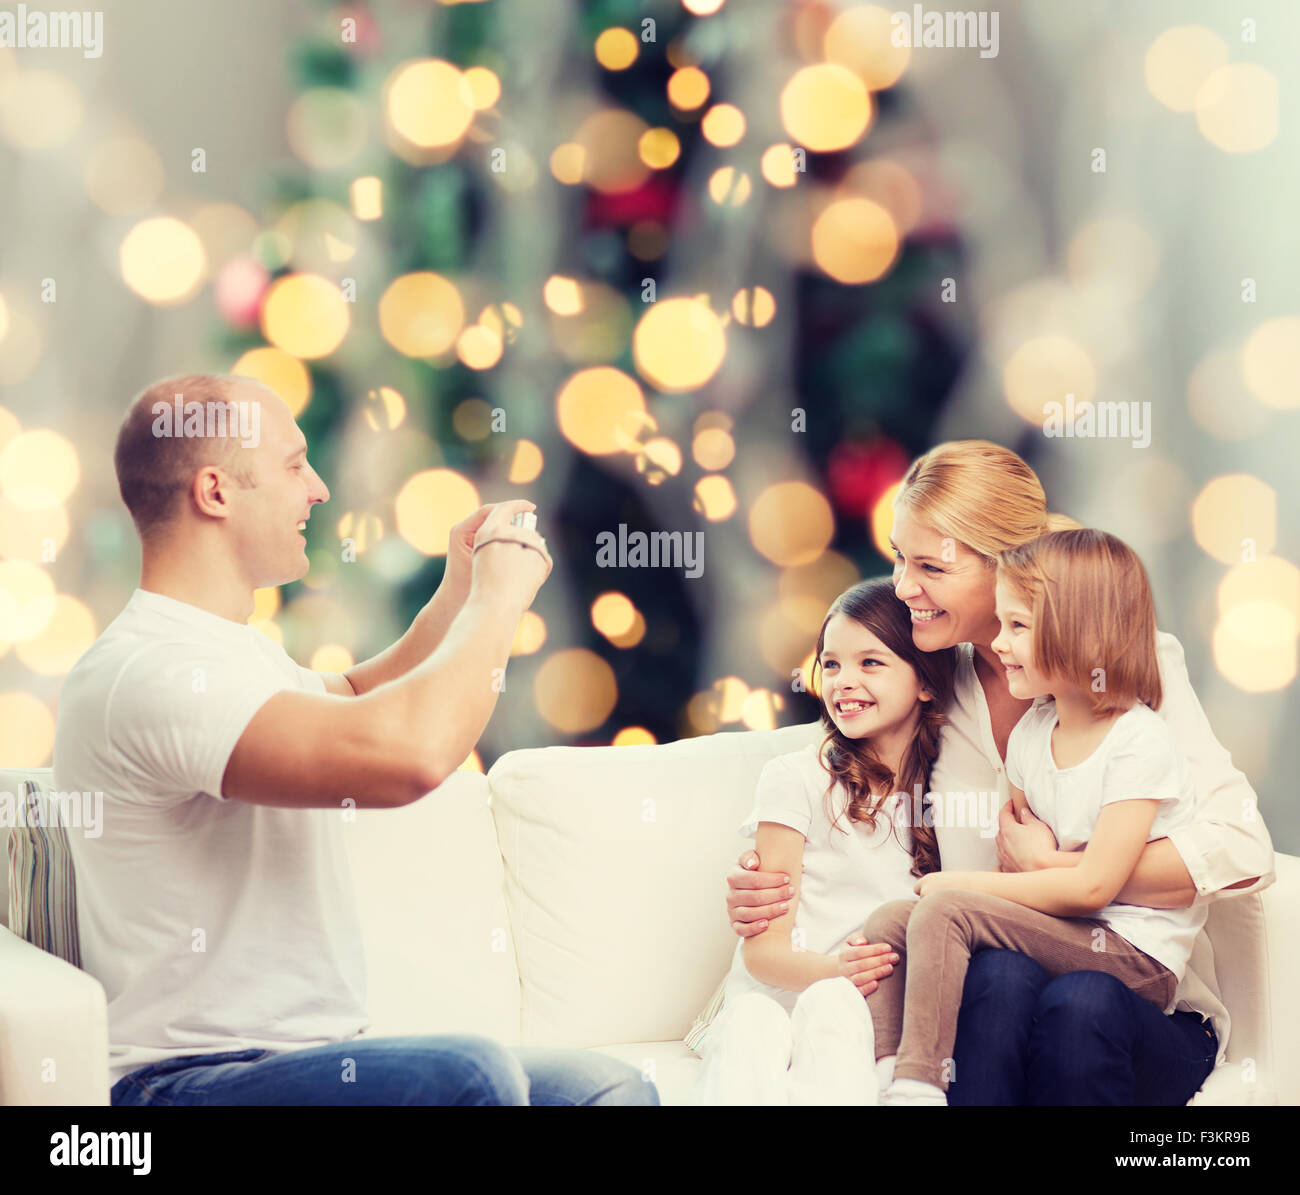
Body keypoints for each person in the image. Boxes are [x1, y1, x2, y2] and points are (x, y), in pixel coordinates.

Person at [55, 373, 658, 1107]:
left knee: (608, 1087)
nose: (315, 488)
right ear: (215, 492)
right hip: (188, 1083)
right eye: (292, 464)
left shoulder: (227, 654)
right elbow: (406, 756)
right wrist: (502, 599)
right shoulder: (149, 672)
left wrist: (458, 592)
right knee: (472, 1077)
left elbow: (348, 699)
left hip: (316, 1060)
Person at [725, 440, 1274, 1106]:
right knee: (999, 980)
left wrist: (1064, 865)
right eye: (900, 557)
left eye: (931, 565)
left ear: (1010, 563)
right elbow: (834, 773)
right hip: (996, 999)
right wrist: (767, 886)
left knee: (1077, 1003)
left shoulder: (1125, 669)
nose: (903, 587)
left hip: (1131, 1008)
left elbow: (1242, 846)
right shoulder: (929, 682)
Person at [866, 528, 1207, 1106]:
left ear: (1082, 629)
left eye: (1017, 626)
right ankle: (880, 1071)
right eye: (1000, 624)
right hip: (1064, 935)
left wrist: (953, 887)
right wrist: (963, 893)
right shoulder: (1032, 734)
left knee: (943, 907)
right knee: (891, 922)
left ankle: (917, 1086)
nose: (998, 644)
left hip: (1132, 953)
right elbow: (1016, 874)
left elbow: (1093, 884)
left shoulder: (1136, 741)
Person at [693, 580, 955, 1105]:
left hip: (857, 1012)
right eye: (830, 664)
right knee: (754, 1021)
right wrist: (838, 971)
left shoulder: (951, 787)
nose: (844, 682)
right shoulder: (795, 777)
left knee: (836, 1011)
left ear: (925, 682)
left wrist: (846, 985)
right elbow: (764, 953)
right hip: (777, 995)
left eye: (871, 663)